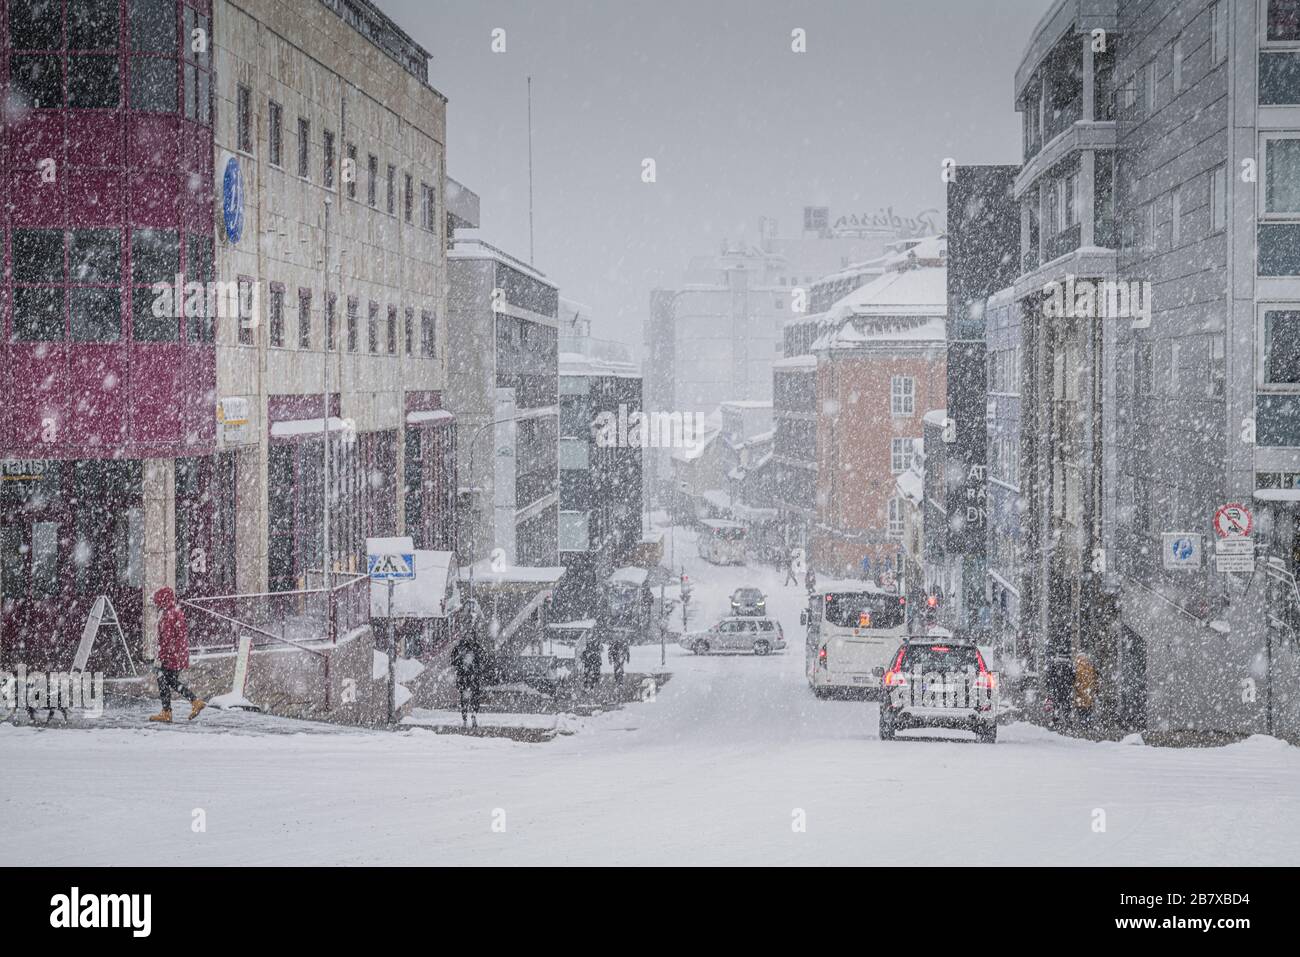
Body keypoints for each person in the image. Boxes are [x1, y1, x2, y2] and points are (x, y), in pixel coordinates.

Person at [149, 587, 205, 723]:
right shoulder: (174, 611)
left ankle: (168, 712)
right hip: (177, 654)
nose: (156, 604)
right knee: (170, 681)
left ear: (162, 600)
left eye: (157, 601)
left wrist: (162, 657)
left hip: (171, 655)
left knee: (163, 678)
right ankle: (193, 702)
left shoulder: (169, 614)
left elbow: (167, 639)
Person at [451, 631, 487, 729]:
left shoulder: (459, 648)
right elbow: (484, 660)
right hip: (473, 677)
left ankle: (465, 718)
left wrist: (460, 664)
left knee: (464, 698)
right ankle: (473, 714)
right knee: (474, 697)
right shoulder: (477, 647)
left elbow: (453, 661)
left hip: (463, 677)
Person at [1073, 651, 1098, 731]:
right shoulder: (1090, 667)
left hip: (1080, 693)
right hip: (1089, 692)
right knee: (1088, 709)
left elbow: (1075, 681)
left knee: (1081, 709)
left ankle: (1083, 724)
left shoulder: (1077, 669)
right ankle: (1088, 723)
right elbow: (1095, 679)